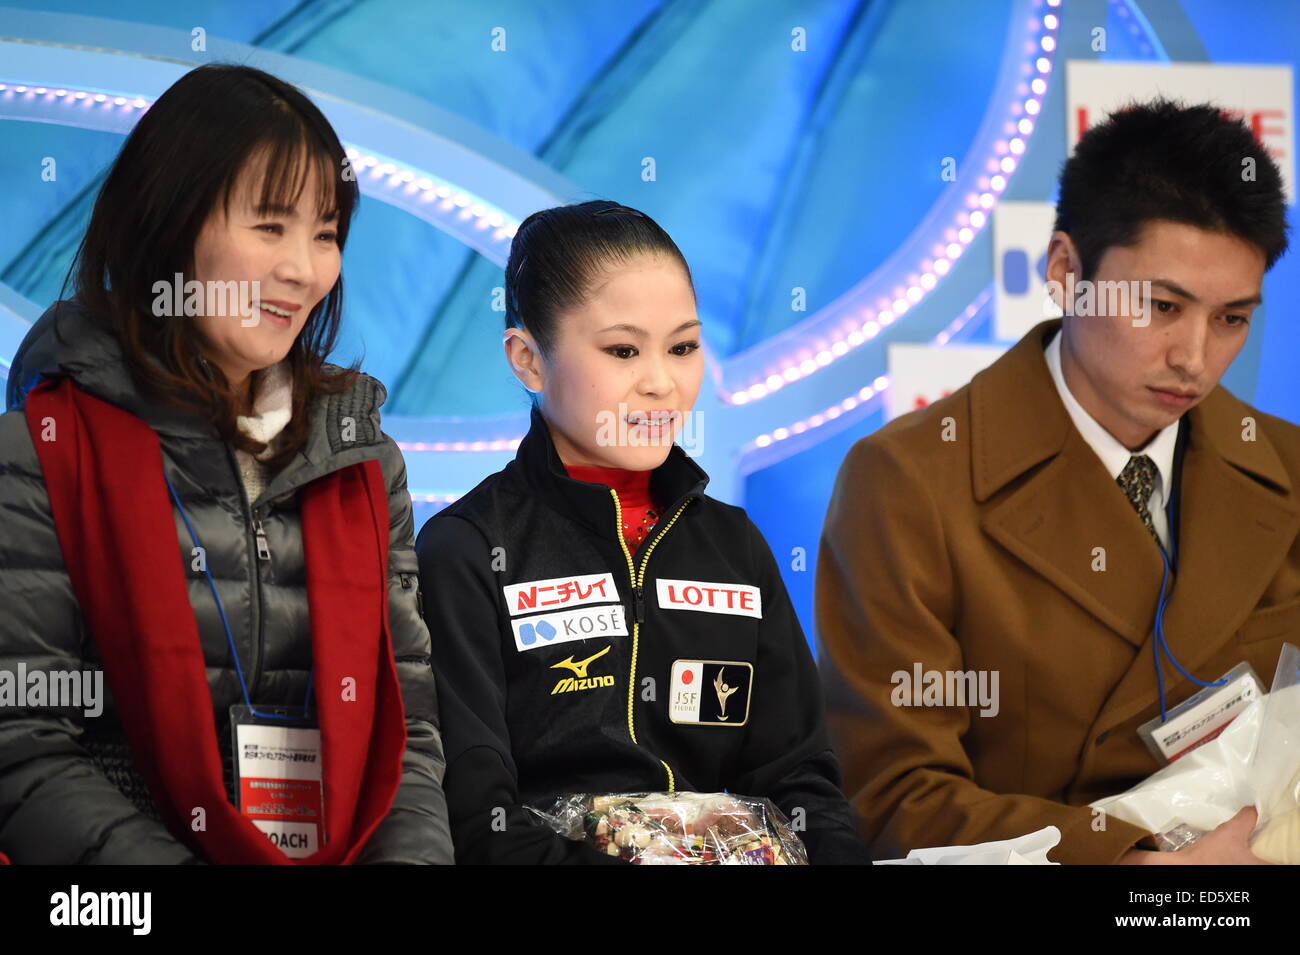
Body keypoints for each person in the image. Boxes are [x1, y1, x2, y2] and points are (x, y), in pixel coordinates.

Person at [817, 99, 1299, 865]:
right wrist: (1140, 867)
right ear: (1066, 271)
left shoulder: (1288, 468)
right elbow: (891, 797)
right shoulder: (909, 481)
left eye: (1232, 318)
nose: (1194, 357)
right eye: (1161, 306)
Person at [0, 64, 452, 864]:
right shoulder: (41, 449)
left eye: (325, 233)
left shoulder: (363, 458)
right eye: (270, 225)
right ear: (170, 221)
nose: (304, 269)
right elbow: (22, 744)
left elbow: (406, 735)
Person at [415, 200, 868, 864]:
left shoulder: (735, 547)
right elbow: (478, 822)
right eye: (623, 349)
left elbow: (801, 786)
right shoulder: (469, 549)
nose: (662, 382)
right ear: (528, 360)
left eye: (683, 346)